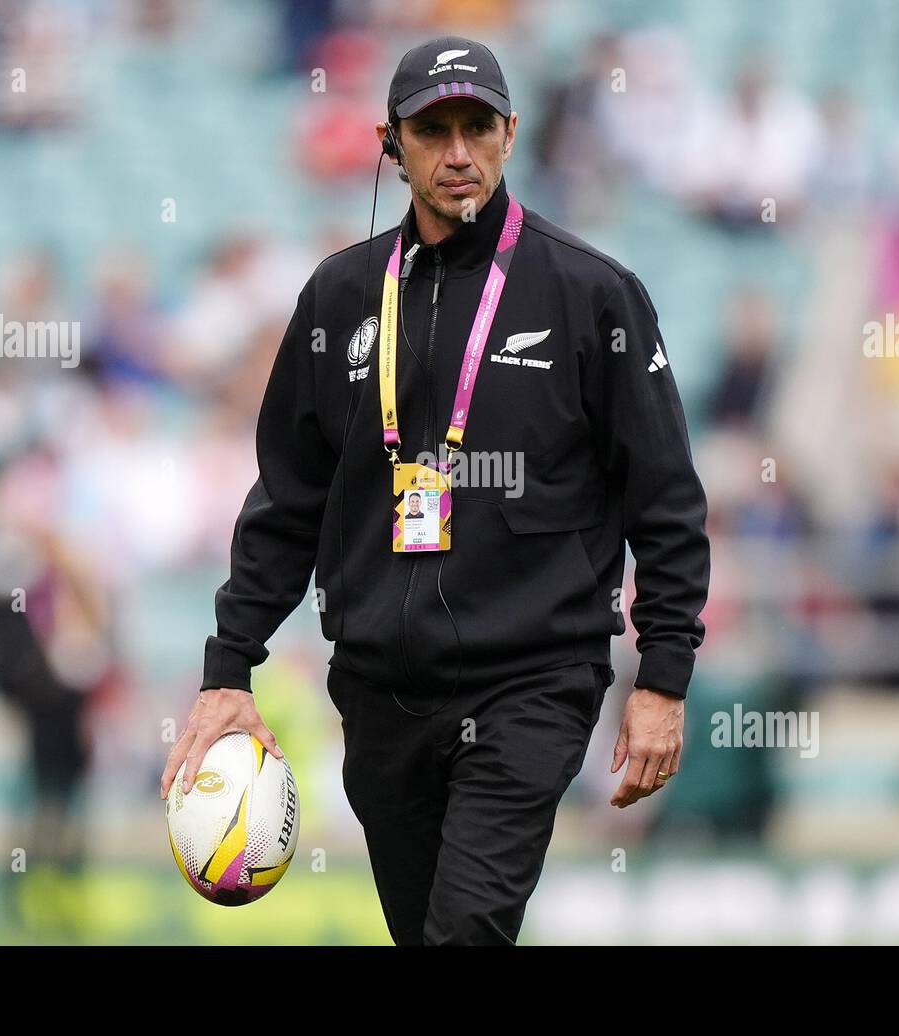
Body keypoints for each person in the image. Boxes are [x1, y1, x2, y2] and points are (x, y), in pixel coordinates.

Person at [161, 36, 710, 945]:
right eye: (432, 129)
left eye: (477, 127)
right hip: (381, 690)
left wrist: (663, 676)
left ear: (511, 133)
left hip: (535, 679)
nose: (458, 152)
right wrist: (229, 668)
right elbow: (287, 501)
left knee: (465, 933)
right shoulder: (338, 299)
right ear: (392, 143)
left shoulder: (595, 295)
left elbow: (666, 500)